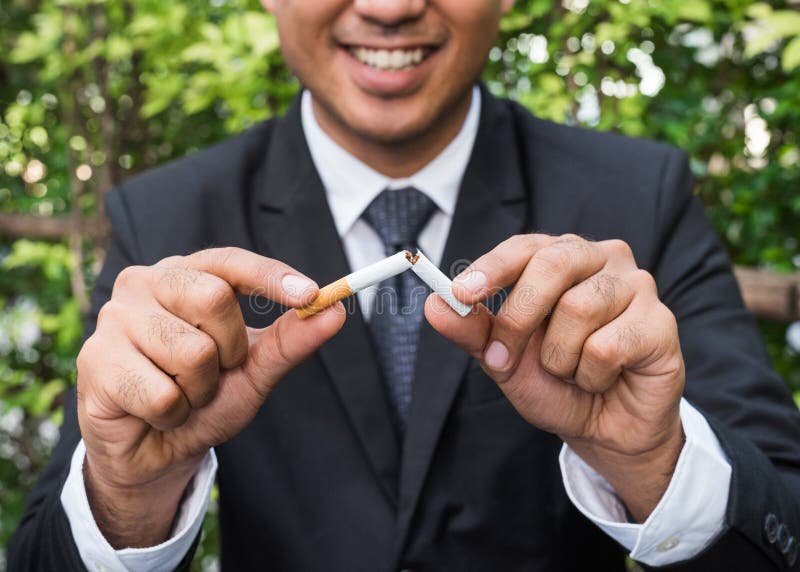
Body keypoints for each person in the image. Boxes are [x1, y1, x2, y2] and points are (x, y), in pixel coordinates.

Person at [9, 0, 800, 570]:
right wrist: (127, 493)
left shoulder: (637, 200)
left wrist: (654, 459)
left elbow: (782, 523)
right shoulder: (166, 219)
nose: (390, 7)